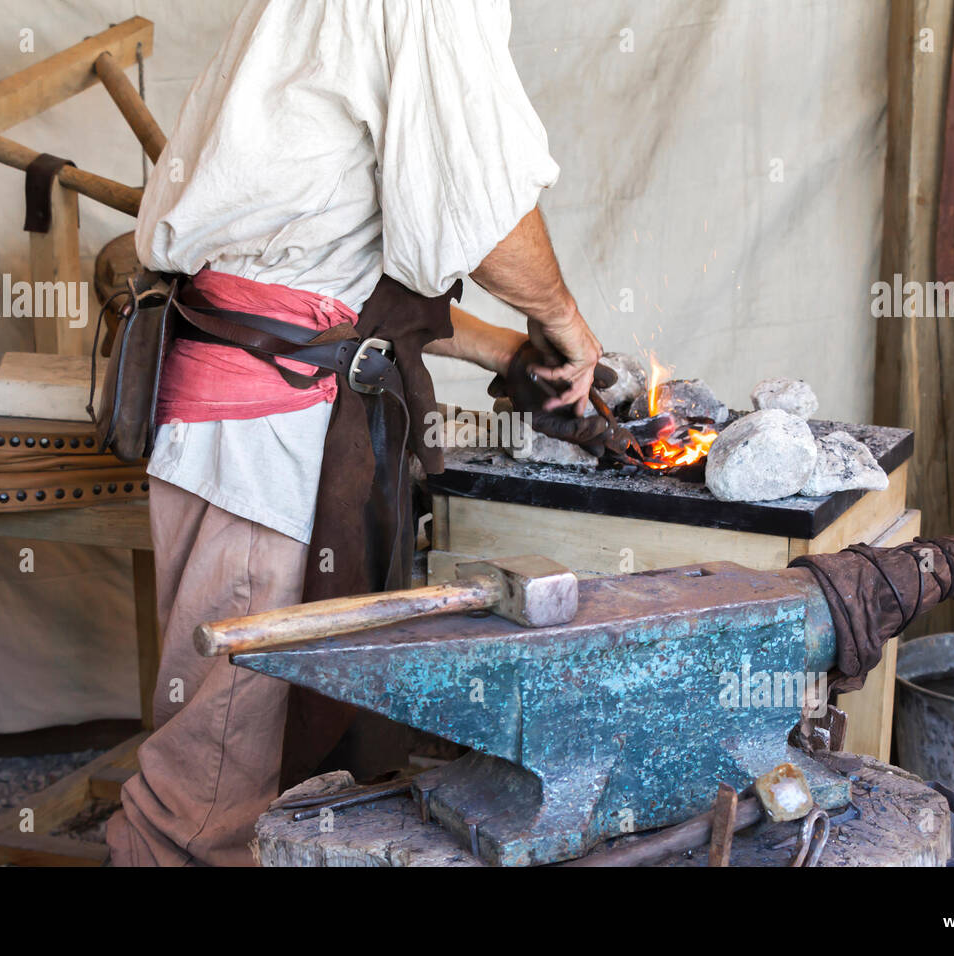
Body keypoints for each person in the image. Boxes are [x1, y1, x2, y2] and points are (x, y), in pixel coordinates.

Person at [105, 0, 607, 866]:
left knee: (257, 745)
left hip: (248, 401)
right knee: (210, 779)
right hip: (257, 433)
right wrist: (563, 316)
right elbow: (481, 214)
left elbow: (342, 268)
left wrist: (508, 349)